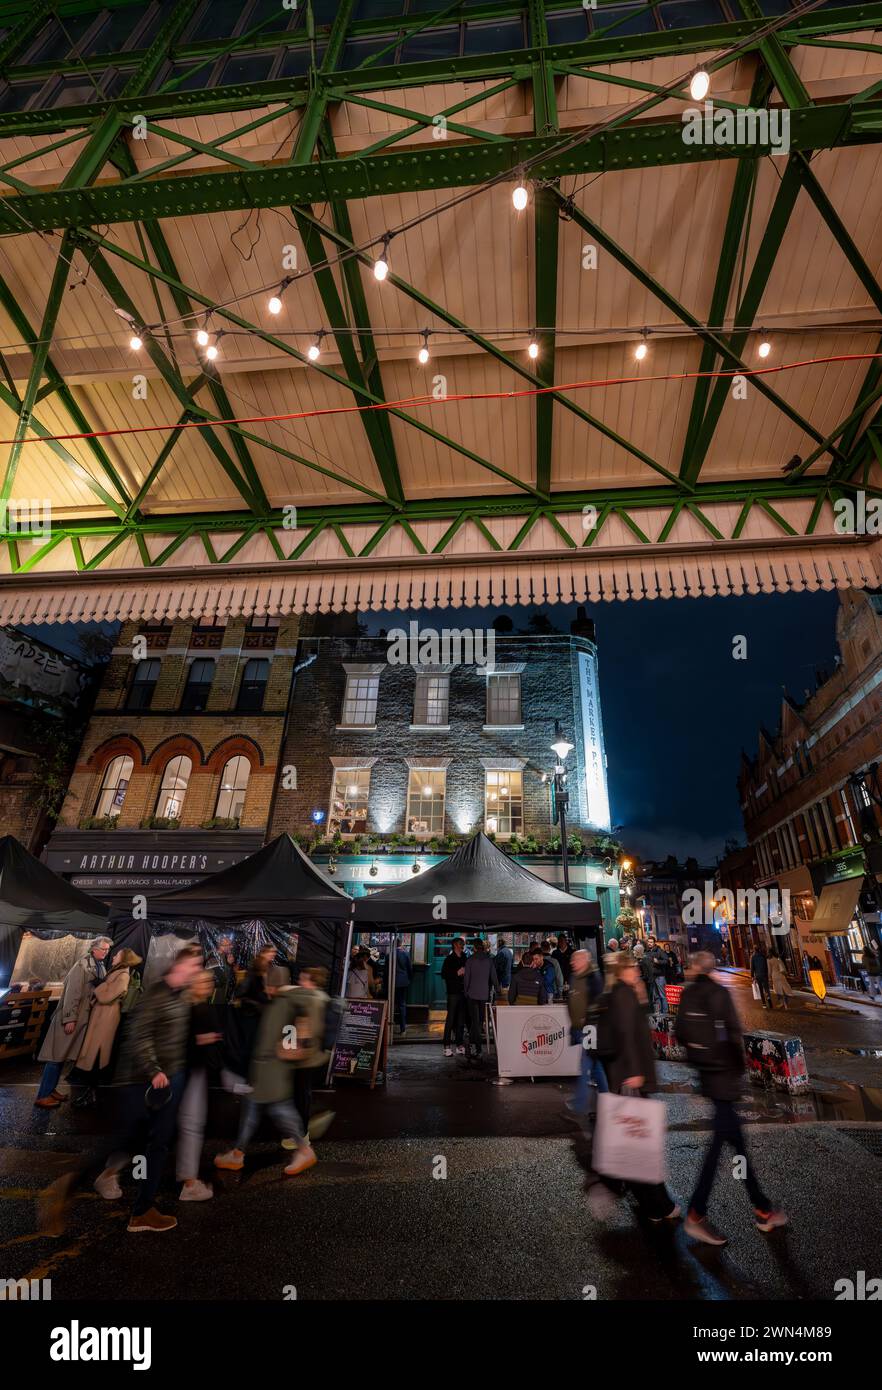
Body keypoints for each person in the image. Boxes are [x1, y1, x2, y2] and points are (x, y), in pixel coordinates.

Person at [675, 952, 788, 1245]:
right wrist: (740, 1071)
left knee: (734, 1145)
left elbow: (680, 1033)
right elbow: (735, 1034)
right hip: (724, 1079)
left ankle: (762, 1208)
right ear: (712, 969)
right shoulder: (718, 993)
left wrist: (699, 1064)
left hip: (709, 1077)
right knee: (719, 1147)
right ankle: (697, 1213)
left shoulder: (688, 995)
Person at [94, 943, 203, 1233]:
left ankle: (141, 1208)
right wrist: (154, 1069)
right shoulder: (157, 993)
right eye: (194, 966)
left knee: (157, 1142)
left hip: (171, 1077)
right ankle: (130, 1201)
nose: (198, 971)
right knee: (139, 1139)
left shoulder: (183, 996)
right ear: (180, 966)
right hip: (143, 1080)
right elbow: (139, 1034)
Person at [214, 968, 330, 1180]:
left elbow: (300, 1024)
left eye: (268, 983)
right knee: (259, 1110)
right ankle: (239, 1152)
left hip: (272, 1068)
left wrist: (290, 1049)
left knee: (278, 1110)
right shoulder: (281, 999)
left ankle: (302, 1150)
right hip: (267, 1067)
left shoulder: (286, 1000)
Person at [602, 952, 680, 1223]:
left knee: (638, 1142)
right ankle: (656, 1204)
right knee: (640, 1143)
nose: (637, 969)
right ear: (624, 970)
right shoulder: (623, 995)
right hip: (631, 1077)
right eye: (633, 966)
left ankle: (654, 1202)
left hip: (627, 1076)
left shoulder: (624, 992)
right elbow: (627, 1035)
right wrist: (635, 1072)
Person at [34, 937, 113, 1108]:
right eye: (103, 949)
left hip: (80, 1018)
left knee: (62, 1057)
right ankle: (43, 1095)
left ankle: (51, 1089)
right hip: (71, 1018)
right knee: (55, 1057)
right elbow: (72, 993)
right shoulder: (82, 965)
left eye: (107, 950)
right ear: (94, 949)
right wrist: (69, 1018)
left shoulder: (98, 965)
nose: (106, 952)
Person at [176, 969, 224, 1202]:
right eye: (202, 980)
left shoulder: (197, 1007)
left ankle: (188, 1180)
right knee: (190, 1127)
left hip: (193, 1072)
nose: (208, 984)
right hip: (188, 1073)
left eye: (209, 980)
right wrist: (205, 1038)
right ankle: (189, 1184)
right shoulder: (194, 1008)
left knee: (188, 1127)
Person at [73, 948, 143, 1108]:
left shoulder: (123, 975)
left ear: (123, 958)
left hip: (107, 1018)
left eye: (117, 955)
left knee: (96, 1056)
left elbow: (107, 996)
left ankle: (92, 1095)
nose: (113, 957)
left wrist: (100, 986)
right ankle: (90, 1093)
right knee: (93, 1056)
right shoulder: (118, 972)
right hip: (102, 1017)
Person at [566, 948, 607, 1124]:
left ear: (584, 960)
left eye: (575, 960)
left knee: (585, 1066)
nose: (572, 963)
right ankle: (607, 1100)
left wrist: (588, 1024)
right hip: (581, 1028)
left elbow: (597, 1005)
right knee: (596, 1067)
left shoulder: (593, 978)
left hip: (590, 1029)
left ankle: (579, 1104)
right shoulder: (576, 976)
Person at [463, 939, 499, 1058]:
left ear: (474, 947)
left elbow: (466, 979)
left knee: (475, 1021)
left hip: (472, 994)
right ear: (483, 947)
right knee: (480, 1021)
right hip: (484, 995)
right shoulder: (489, 960)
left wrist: (466, 992)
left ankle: (476, 1047)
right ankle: (475, 1046)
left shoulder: (470, 960)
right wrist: (499, 991)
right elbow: (494, 977)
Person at [441, 937, 469, 1057]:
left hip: (463, 992)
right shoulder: (449, 959)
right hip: (453, 993)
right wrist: (456, 973)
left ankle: (459, 1045)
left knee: (461, 1020)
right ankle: (446, 1046)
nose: (462, 944)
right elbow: (444, 974)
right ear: (455, 945)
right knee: (451, 1019)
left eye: (462, 943)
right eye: (460, 943)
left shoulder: (464, 957)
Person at [393, 941, 412, 1036]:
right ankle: (403, 1029)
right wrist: (408, 979)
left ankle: (389, 1027)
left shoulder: (390, 955)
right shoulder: (406, 954)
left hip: (392, 982)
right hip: (403, 982)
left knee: (392, 1004)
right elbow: (409, 968)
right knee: (402, 1004)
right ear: (401, 944)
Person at [648, 938, 669, 1014]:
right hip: (652, 977)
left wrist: (658, 961)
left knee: (662, 996)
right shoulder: (648, 952)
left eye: (651, 942)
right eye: (648, 942)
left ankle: (665, 1013)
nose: (649, 943)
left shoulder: (659, 951)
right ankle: (659, 1013)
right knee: (656, 996)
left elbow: (666, 961)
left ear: (654, 943)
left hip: (660, 976)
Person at [750, 943, 771, 1008]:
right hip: (764, 974)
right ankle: (769, 1000)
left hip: (758, 975)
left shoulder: (752, 957)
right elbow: (766, 966)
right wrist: (767, 974)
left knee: (761, 989)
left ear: (754, 950)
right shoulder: (763, 956)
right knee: (766, 988)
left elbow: (752, 967)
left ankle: (764, 1004)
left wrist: (752, 976)